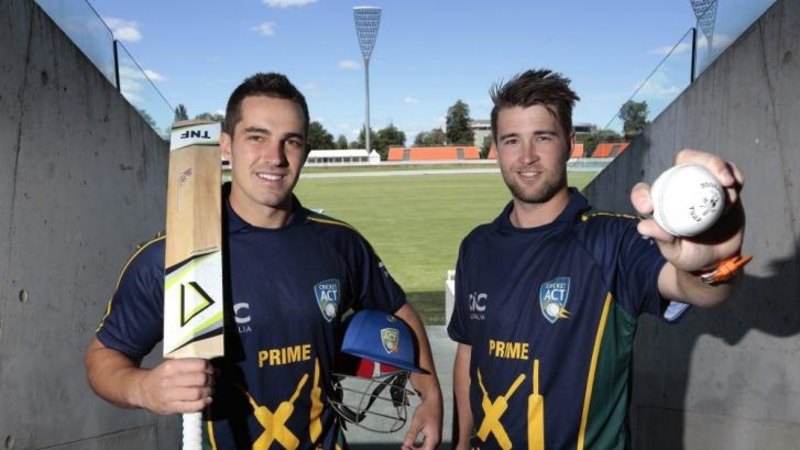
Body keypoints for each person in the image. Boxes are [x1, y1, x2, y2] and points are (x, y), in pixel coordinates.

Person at [84, 72, 443, 450]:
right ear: (226, 145)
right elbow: (103, 357)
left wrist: (431, 394)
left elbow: (397, 311)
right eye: (257, 137)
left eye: (291, 142)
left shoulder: (340, 243)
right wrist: (143, 387)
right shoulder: (172, 256)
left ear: (305, 152)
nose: (275, 157)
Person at [447, 69, 747, 450]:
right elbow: (469, 350)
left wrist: (713, 262)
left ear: (570, 143)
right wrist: (461, 442)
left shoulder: (613, 240)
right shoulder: (476, 247)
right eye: (511, 140)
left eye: (543, 137)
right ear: (496, 149)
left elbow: (694, 287)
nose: (527, 156)